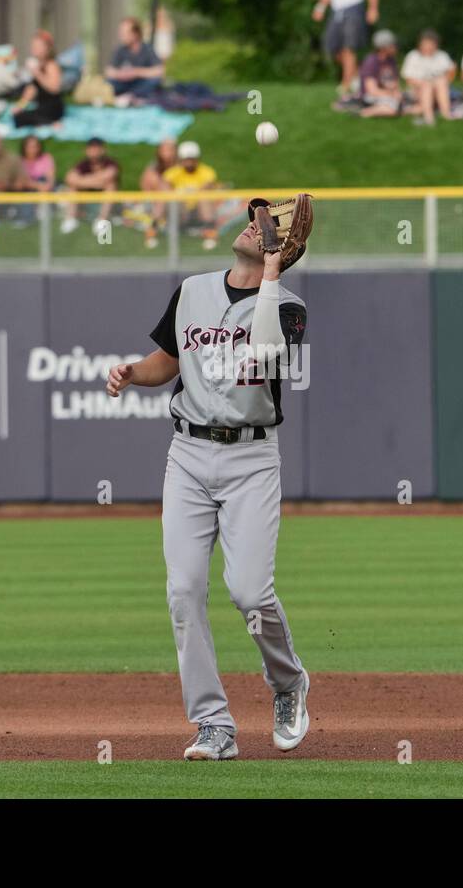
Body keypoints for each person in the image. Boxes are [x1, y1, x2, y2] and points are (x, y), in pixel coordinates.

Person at [104, 196, 313, 761]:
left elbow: (266, 358)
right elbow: (166, 362)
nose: (256, 224)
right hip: (189, 455)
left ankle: (288, 684)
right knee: (182, 590)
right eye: (255, 218)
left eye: (268, 225)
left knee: (249, 592)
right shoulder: (193, 289)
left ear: (285, 250)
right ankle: (213, 724)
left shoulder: (288, 307)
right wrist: (133, 373)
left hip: (250, 460)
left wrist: (271, 273)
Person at [163, 141, 220, 250]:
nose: (188, 162)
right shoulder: (173, 173)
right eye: (186, 159)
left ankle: (210, 233)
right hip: (181, 211)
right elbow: (166, 187)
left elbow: (207, 186)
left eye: (191, 159)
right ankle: (154, 229)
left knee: (204, 198)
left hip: (198, 211)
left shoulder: (206, 172)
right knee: (169, 199)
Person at [61, 137, 120, 235]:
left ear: (103, 150)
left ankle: (102, 220)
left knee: (111, 186)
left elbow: (110, 175)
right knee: (72, 187)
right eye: (91, 149)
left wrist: (81, 180)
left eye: (96, 149)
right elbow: (69, 178)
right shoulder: (83, 164)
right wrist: (98, 181)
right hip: (86, 199)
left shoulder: (110, 163)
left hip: (104, 200)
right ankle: (70, 219)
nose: (93, 152)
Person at [401, 29, 455, 125]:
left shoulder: (442, 55)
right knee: (427, 85)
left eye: (431, 44)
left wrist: (445, 80)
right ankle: (429, 117)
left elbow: (451, 71)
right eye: (426, 43)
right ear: (420, 44)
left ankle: (446, 113)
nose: (429, 46)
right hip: (416, 89)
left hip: (438, 88)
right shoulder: (413, 56)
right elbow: (408, 79)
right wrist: (423, 83)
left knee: (441, 81)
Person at [11, 32, 64, 128]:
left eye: (38, 46)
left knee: (24, 117)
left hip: (53, 108)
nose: (34, 48)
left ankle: (51, 123)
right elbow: (31, 90)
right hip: (41, 106)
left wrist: (37, 74)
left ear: (47, 49)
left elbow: (54, 88)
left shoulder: (51, 65)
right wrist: (20, 106)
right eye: (33, 45)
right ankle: (44, 123)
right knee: (17, 117)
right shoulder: (37, 65)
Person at [105, 17, 164, 102]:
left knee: (154, 81)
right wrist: (121, 74)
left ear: (135, 34)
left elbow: (159, 70)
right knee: (109, 82)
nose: (121, 36)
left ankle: (130, 96)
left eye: (124, 33)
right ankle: (130, 96)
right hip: (124, 83)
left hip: (141, 83)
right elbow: (109, 71)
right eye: (121, 33)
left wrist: (137, 72)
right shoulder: (120, 50)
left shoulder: (147, 49)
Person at [139, 139, 178, 248]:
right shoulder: (153, 168)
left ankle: (152, 228)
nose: (167, 153)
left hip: (179, 205)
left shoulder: (181, 167)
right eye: (164, 149)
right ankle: (154, 226)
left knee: (164, 191)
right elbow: (145, 187)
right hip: (156, 204)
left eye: (170, 149)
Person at [356, 29, 404, 117]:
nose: (395, 47)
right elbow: (372, 90)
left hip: (388, 95)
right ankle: (364, 112)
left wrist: (397, 93)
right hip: (370, 97)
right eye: (392, 45)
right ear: (384, 47)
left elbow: (396, 83)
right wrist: (391, 94)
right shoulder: (371, 61)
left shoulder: (391, 61)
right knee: (392, 109)